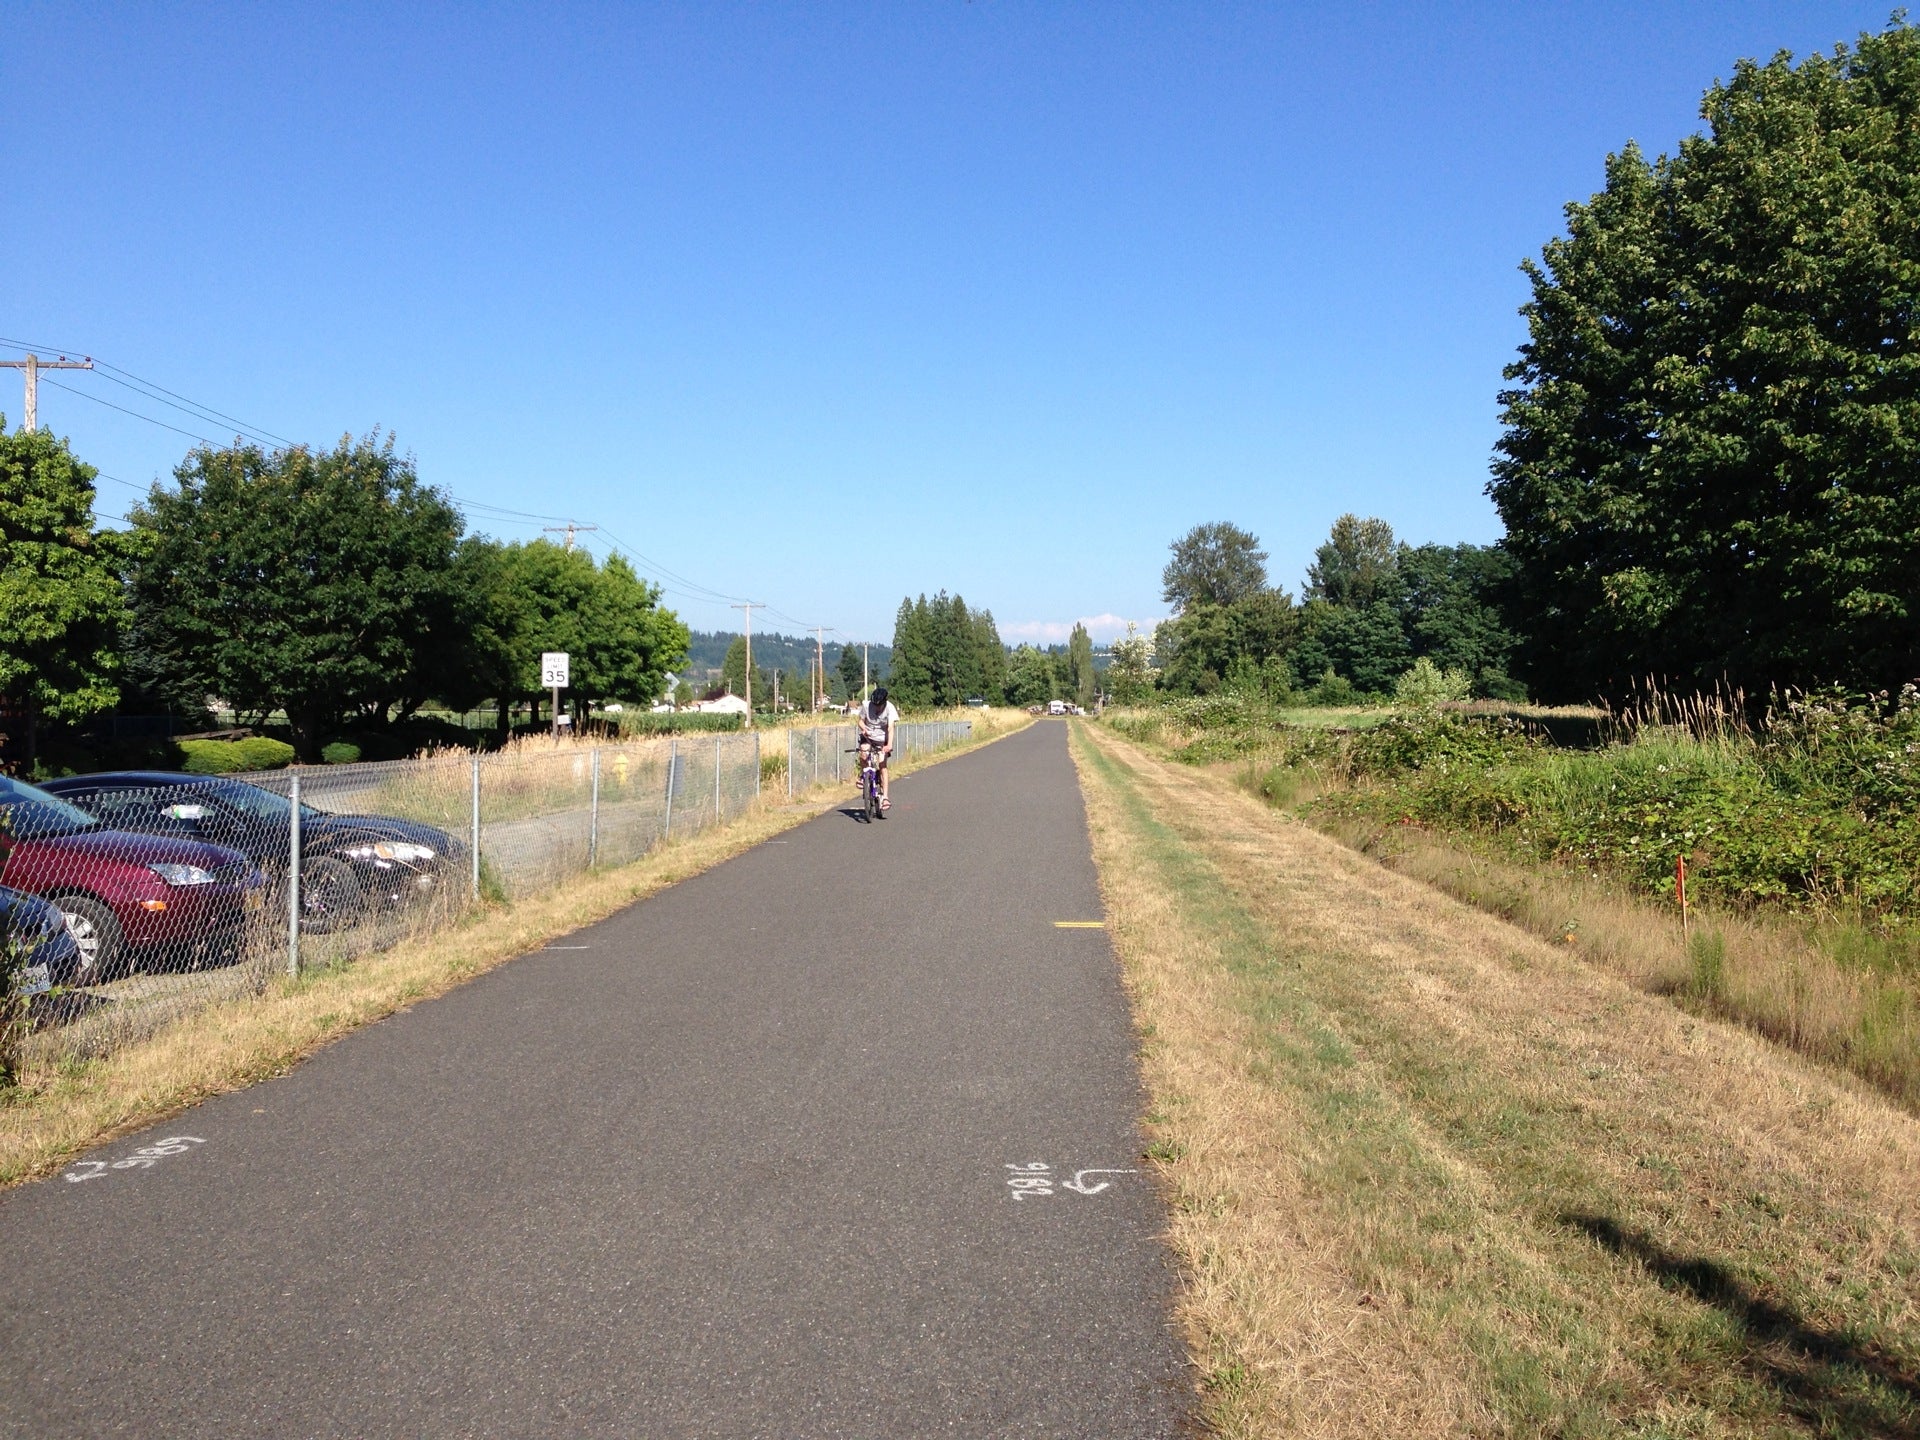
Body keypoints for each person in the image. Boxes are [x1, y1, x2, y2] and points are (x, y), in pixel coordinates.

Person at [855, 686, 898, 812]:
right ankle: (864, 776)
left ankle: (885, 797)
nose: (877, 708)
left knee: (882, 763)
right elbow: (860, 721)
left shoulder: (890, 708)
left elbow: (891, 728)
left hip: (882, 740)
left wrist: (888, 745)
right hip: (868, 736)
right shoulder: (866, 706)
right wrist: (864, 728)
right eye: (875, 705)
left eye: (879, 706)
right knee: (863, 752)